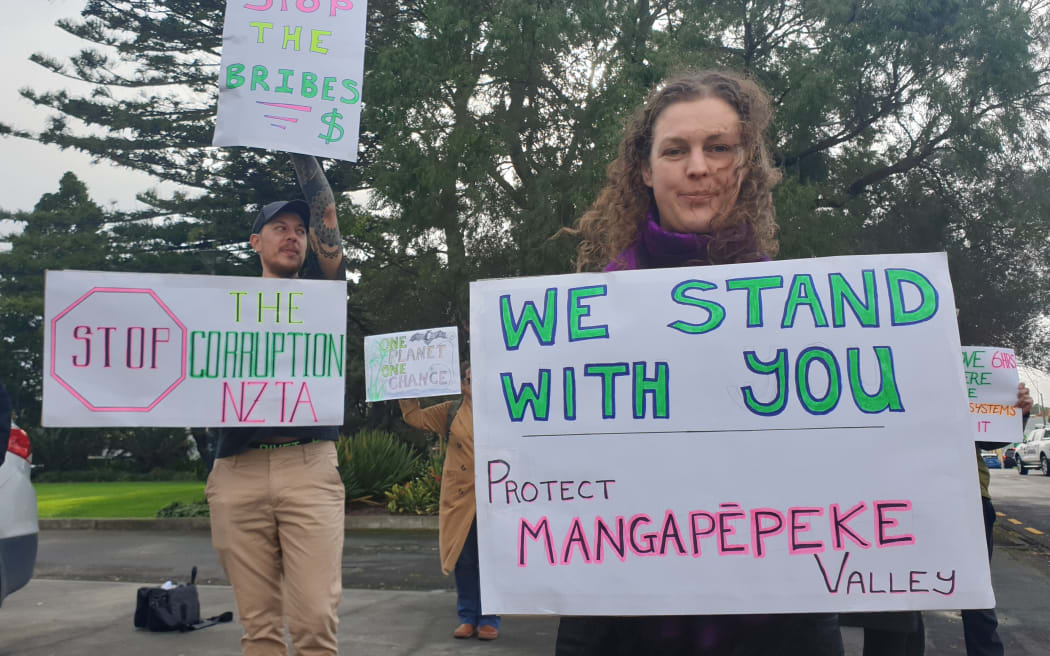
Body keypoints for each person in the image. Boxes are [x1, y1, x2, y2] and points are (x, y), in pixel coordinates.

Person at [555, 70, 842, 655]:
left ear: (747, 165)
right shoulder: (582, 322)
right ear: (645, 170)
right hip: (623, 613)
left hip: (778, 612)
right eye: (675, 150)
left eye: (718, 148)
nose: (697, 168)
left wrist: (946, 402)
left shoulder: (809, 314)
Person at [205, 153, 347, 656]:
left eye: (300, 230)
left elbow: (326, 213)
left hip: (307, 466)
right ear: (255, 242)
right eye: (279, 227)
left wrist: (301, 150)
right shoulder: (217, 309)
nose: (294, 235)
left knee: (314, 623)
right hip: (236, 470)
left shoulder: (322, 296)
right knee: (259, 632)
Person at [398, 364, 502, 641]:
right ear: (462, 381)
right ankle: (467, 617)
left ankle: (490, 618)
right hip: (460, 497)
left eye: (478, 375)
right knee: (464, 557)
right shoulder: (451, 410)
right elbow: (415, 418)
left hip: (495, 494)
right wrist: (407, 387)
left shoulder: (507, 405)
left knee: (491, 558)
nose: (472, 380)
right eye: (468, 376)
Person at [961, 381, 1032, 655]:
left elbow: (987, 435)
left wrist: (1018, 413)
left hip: (969, 496)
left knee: (976, 591)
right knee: (904, 598)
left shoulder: (958, 370)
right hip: (907, 495)